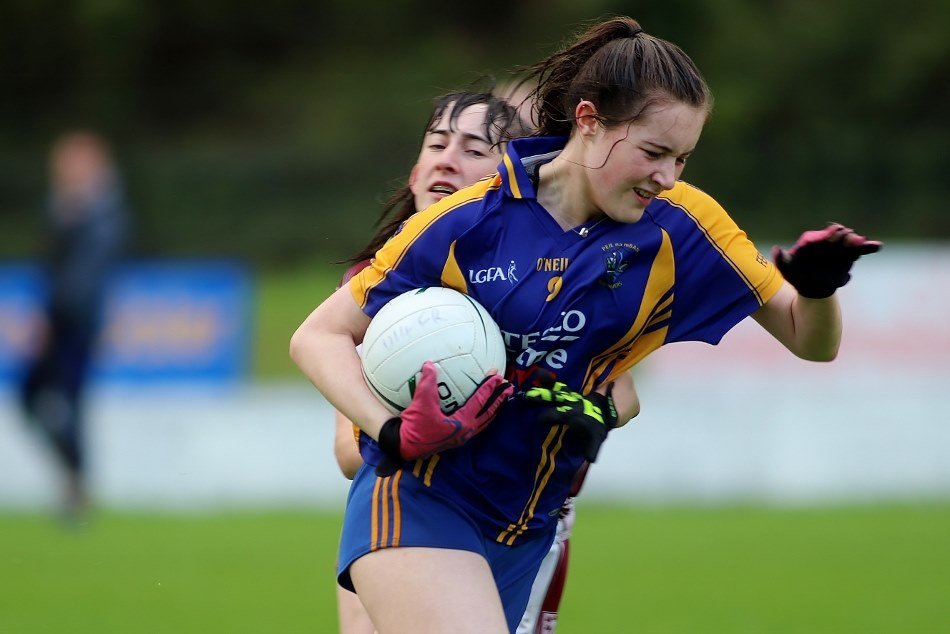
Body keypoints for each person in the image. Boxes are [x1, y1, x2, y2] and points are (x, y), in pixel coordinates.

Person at [292, 16, 880, 633]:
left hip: (528, 521)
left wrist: (819, 291)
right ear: (589, 120)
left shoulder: (684, 226)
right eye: (652, 153)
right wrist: (391, 433)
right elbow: (317, 336)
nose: (667, 176)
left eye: (682, 158)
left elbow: (810, 342)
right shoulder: (470, 219)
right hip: (422, 497)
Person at [331, 89, 639, 633]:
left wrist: (578, 408)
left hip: (527, 527)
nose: (447, 158)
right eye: (435, 143)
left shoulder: (562, 272)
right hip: (410, 507)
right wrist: (411, 431)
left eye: (475, 149)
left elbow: (623, 394)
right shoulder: (375, 287)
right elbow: (351, 453)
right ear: (414, 168)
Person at [19, 131, 129, 520]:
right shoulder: (66, 207)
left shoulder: (100, 210)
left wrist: (53, 317)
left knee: (68, 401)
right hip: (62, 317)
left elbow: (84, 277)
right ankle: (73, 476)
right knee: (36, 397)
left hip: (74, 322)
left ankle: (76, 483)